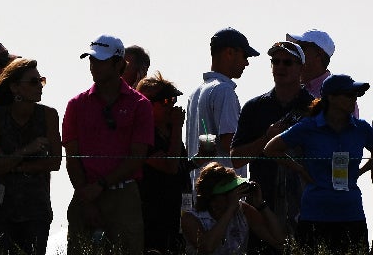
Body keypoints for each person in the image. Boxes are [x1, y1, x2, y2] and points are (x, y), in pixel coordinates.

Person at [62, 35, 153, 255]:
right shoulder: (76, 104)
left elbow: (137, 156)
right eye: (92, 60)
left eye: (101, 61)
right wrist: (87, 198)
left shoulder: (140, 105)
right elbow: (72, 157)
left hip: (123, 196)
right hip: (85, 194)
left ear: (119, 63)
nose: (94, 66)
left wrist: (101, 186)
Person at [264, 73, 373, 252]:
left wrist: (359, 172)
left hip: (351, 213)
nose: (354, 98)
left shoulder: (362, 128)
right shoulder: (309, 127)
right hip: (315, 213)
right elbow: (270, 149)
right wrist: (300, 169)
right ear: (331, 98)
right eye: (349, 94)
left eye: (356, 94)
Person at [229, 41, 311, 238]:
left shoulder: (314, 108)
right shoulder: (254, 107)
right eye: (275, 61)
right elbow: (237, 158)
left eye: (287, 62)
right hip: (263, 204)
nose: (280, 66)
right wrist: (266, 138)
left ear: (301, 68)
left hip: (306, 204)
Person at [0, 58, 60, 255]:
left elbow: (55, 162)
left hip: (37, 208)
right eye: (33, 82)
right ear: (14, 87)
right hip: (0, 211)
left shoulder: (49, 115)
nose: (39, 86)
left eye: (41, 81)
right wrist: (27, 151)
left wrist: (12, 164)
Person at [187, 28, 259, 178]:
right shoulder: (224, 91)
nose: (247, 63)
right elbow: (230, 144)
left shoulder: (195, 93)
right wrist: (266, 139)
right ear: (230, 52)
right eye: (245, 56)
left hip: (201, 185)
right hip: (223, 187)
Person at [180, 163, 284, 255]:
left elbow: (279, 241)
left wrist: (261, 205)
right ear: (213, 197)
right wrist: (230, 208)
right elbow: (207, 247)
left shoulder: (243, 210)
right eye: (230, 192)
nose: (235, 196)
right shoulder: (190, 218)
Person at [136, 74, 186, 255]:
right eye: (165, 101)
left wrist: (199, 160)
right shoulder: (144, 134)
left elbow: (180, 166)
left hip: (175, 210)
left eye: (173, 100)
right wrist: (178, 127)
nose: (171, 106)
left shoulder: (169, 131)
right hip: (152, 212)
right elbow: (169, 167)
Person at [287, 29, 359, 117]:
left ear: (318, 55)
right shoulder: (291, 89)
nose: (295, 53)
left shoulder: (339, 93)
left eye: (302, 48)